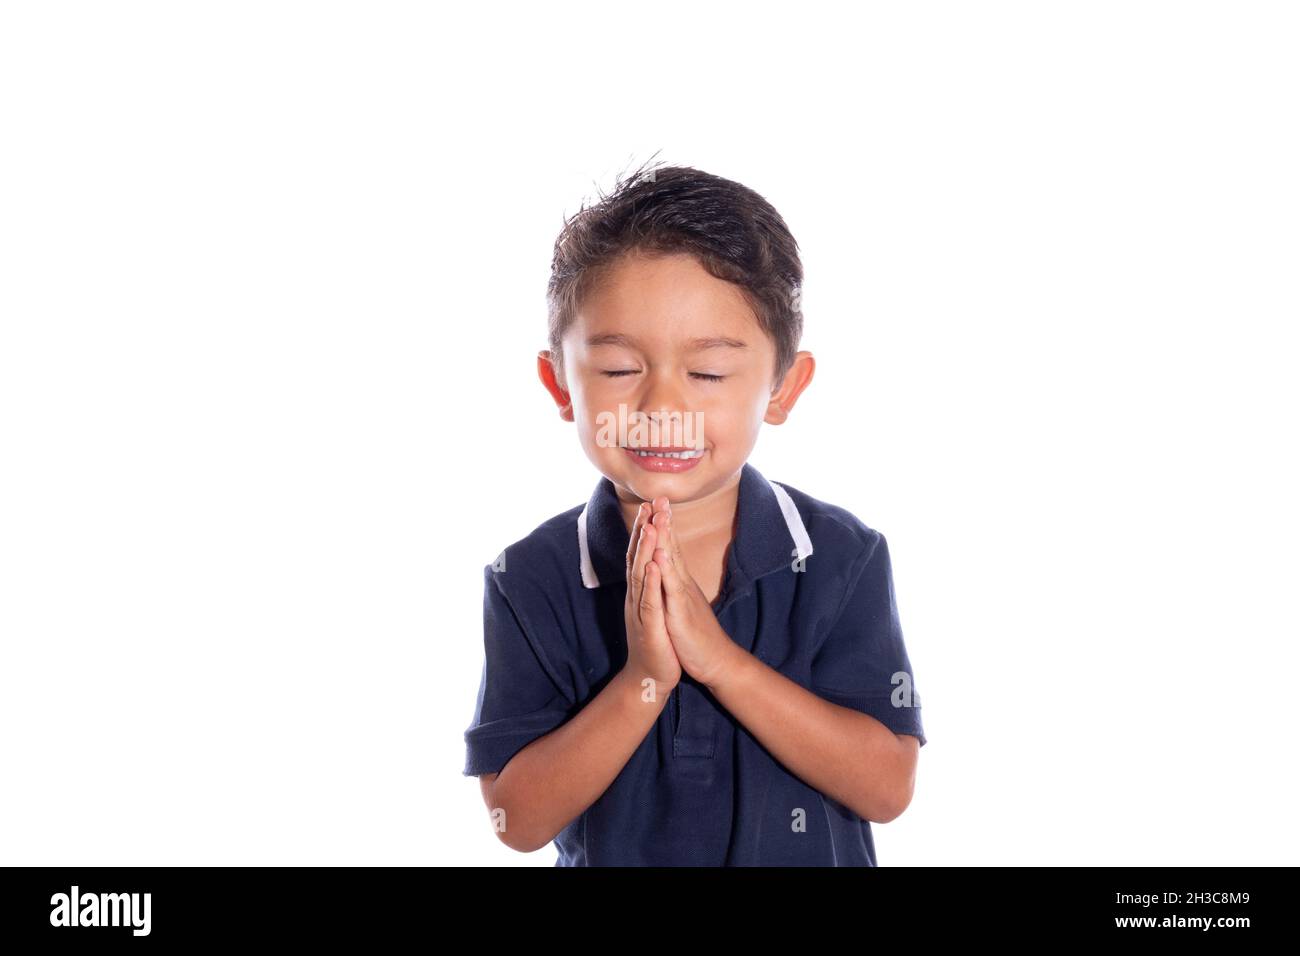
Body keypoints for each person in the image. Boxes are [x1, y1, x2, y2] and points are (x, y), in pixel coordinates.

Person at [463, 159, 926, 865]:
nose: (662, 410)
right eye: (619, 369)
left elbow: (888, 787)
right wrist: (644, 678)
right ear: (561, 383)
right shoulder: (529, 577)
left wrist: (719, 661)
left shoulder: (841, 555)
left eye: (707, 373)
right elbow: (514, 819)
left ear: (782, 387)